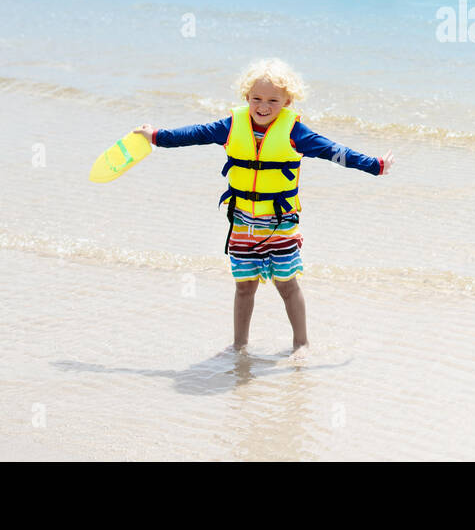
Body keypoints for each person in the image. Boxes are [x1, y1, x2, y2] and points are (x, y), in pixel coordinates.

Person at [134, 58, 392, 358]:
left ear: (287, 101)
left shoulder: (296, 132)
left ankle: (301, 343)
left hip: (280, 223)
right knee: (244, 286)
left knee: (286, 284)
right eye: (256, 99)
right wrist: (157, 137)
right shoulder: (231, 126)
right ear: (247, 98)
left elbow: (334, 151)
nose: (263, 106)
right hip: (242, 222)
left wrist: (374, 166)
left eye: (272, 100)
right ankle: (239, 345)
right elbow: (194, 134)